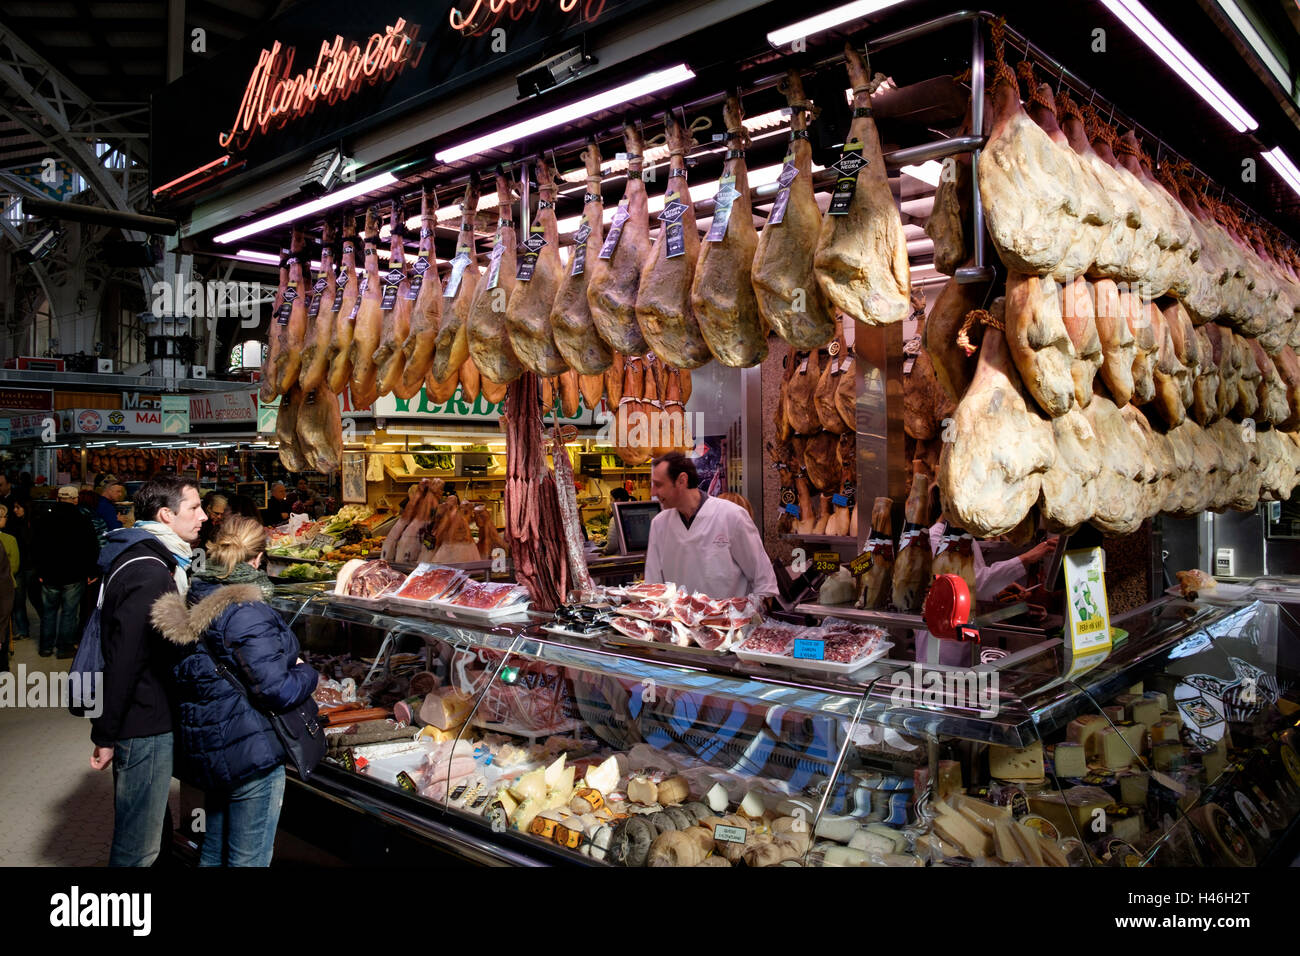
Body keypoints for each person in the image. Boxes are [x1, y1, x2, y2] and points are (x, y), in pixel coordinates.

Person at [152, 516, 319, 867]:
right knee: (249, 859)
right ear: (258, 560)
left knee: (213, 849)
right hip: (249, 750)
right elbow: (276, 689)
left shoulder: (197, 593)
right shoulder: (246, 610)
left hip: (212, 743)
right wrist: (307, 672)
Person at [90, 475, 207, 867]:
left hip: (140, 716)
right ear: (165, 514)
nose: (204, 516)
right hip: (144, 721)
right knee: (137, 849)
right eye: (193, 508)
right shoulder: (151, 571)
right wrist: (106, 733)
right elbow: (126, 657)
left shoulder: (138, 553)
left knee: (151, 830)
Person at [643, 452, 777, 601]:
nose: (653, 492)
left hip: (730, 621)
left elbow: (764, 582)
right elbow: (653, 586)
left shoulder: (732, 516)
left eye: (659, 485)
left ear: (682, 481)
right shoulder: (659, 524)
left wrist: (751, 616)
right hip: (676, 622)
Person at [33, 485, 99, 658]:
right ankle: (64, 648)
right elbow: (92, 547)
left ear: (57, 499)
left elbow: (36, 547)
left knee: (49, 613)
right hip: (74, 575)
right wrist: (92, 572)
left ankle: (45, 648)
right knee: (70, 613)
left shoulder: (44, 519)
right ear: (76, 500)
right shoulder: (83, 519)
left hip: (48, 574)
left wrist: (39, 571)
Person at [9, 498, 33, 642]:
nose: (15, 510)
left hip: (30, 566)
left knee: (35, 598)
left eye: (18, 507)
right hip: (20, 566)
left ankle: (45, 626)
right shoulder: (14, 524)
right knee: (18, 600)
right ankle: (23, 629)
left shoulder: (33, 524)